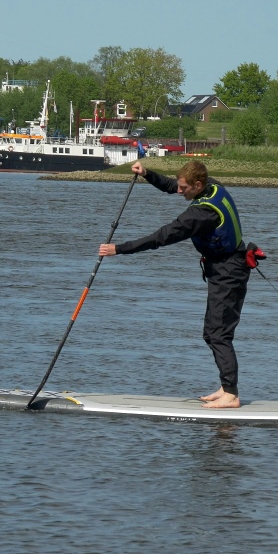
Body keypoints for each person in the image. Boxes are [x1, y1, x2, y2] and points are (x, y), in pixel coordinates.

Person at [100, 159, 253, 409]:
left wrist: (119, 249)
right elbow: (171, 184)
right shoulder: (212, 186)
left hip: (229, 271)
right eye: (180, 186)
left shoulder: (201, 214)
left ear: (198, 184)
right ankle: (227, 387)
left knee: (217, 334)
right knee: (213, 332)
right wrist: (147, 173)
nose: (179, 191)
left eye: (184, 188)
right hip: (225, 267)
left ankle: (231, 395)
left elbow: (162, 237)